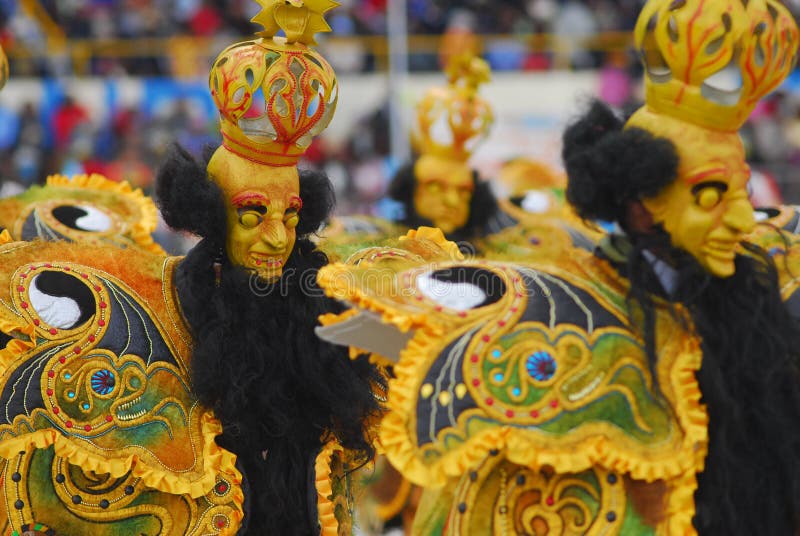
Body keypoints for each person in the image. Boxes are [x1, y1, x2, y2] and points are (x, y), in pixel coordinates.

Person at [313, 0, 800, 533]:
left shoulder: (763, 296)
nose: (738, 219)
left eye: (741, 193)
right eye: (710, 196)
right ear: (640, 204)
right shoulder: (553, 302)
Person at [155, 1, 384, 533]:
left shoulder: (324, 299)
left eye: (290, 216)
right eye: (253, 215)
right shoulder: (167, 304)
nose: (278, 238)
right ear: (210, 214)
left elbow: (404, 351)